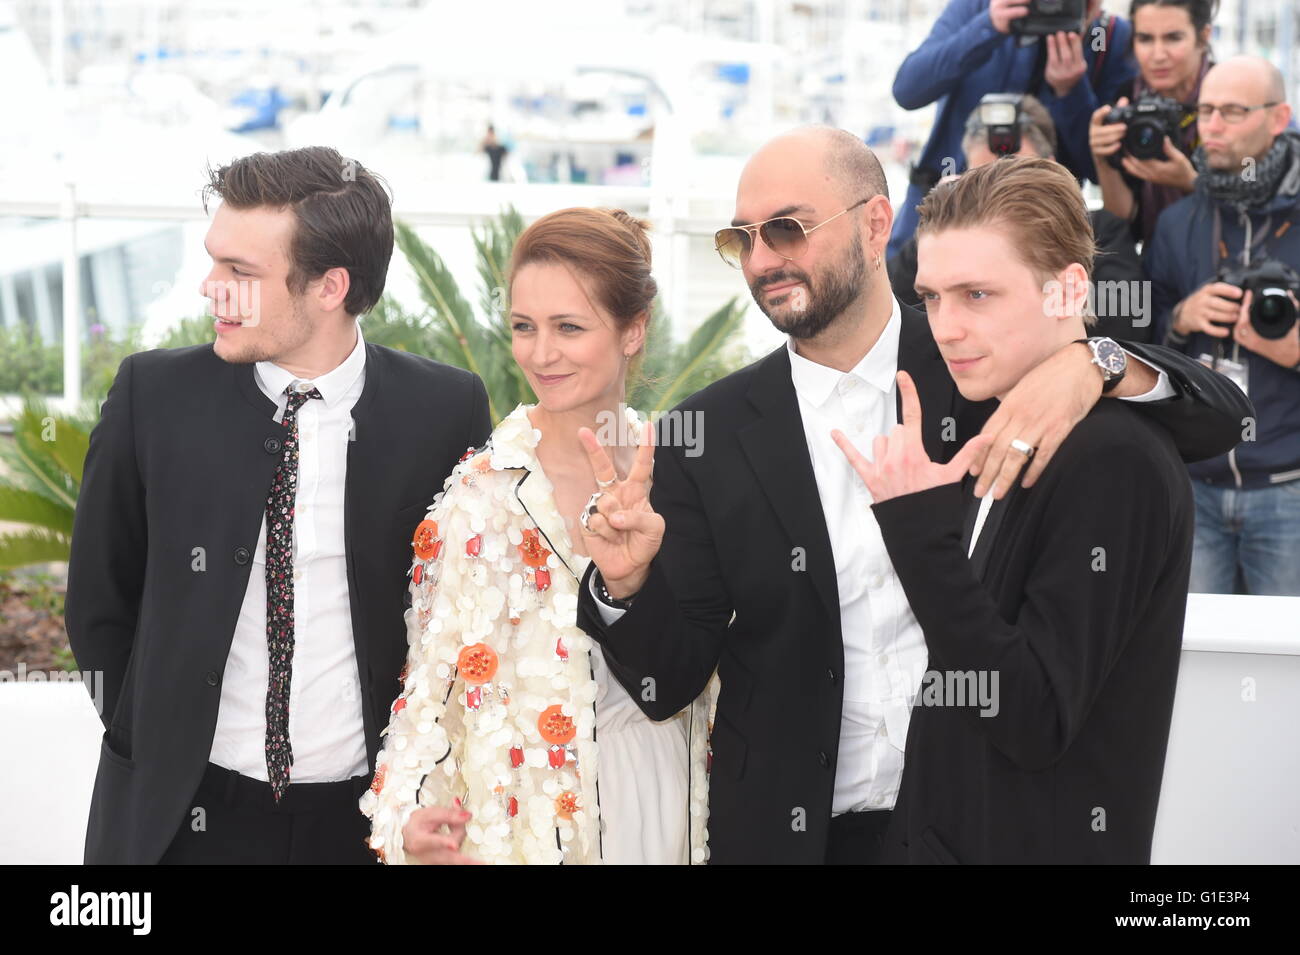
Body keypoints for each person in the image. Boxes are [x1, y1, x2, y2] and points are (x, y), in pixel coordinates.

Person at [572, 125, 1250, 864]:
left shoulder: (986, 364)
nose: (764, 260)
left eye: (788, 229)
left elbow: (1219, 417)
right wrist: (627, 583)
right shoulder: (703, 430)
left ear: (872, 226)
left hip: (980, 828)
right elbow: (665, 679)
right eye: (743, 239)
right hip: (794, 836)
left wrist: (1100, 361)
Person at [64, 147, 492, 864]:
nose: (210, 288)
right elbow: (99, 603)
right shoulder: (153, 397)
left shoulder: (446, 409)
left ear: (329, 287)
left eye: (241, 273)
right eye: (214, 262)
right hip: (182, 820)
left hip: (365, 824)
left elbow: (461, 608)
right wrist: (153, 740)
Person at [838, 156, 1193, 863]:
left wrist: (917, 534)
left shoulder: (1111, 461)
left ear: (1068, 291)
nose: (947, 327)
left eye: (977, 295)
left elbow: (1032, 715)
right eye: (932, 297)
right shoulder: (998, 427)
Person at [361, 208, 710, 865]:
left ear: (632, 330)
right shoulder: (479, 498)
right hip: (525, 830)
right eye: (524, 327)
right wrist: (405, 819)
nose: (540, 353)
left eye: (568, 327)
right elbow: (432, 689)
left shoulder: (686, 477)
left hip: (670, 805)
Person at [1145, 56, 1300, 596]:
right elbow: (1136, 344)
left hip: (1288, 491)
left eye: (1231, 112)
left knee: (1287, 668)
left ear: (1279, 117)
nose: (1210, 126)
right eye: (1205, 110)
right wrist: (1180, 319)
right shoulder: (1177, 223)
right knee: (1195, 662)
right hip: (1194, 488)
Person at [891, 94, 1149, 341]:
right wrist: (939, 223)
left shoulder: (1102, 230)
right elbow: (893, 306)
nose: (998, 191)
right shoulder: (950, 242)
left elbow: (1129, 326)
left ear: (1052, 168)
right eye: (983, 177)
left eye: (1015, 177)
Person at [889, 0, 1136, 257]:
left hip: (1040, 236)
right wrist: (988, 27)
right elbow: (908, 90)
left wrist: (1071, 91)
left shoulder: (1108, 38)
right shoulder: (978, 7)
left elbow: (1103, 168)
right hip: (941, 219)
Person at [1088, 0, 1216, 244]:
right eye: (1145, 39)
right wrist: (1103, 159)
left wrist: (1192, 184)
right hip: (1155, 261)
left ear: (1203, 38)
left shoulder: (1229, 98)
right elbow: (1120, 220)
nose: (1158, 55)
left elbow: (1255, 208)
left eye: (1173, 38)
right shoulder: (1127, 100)